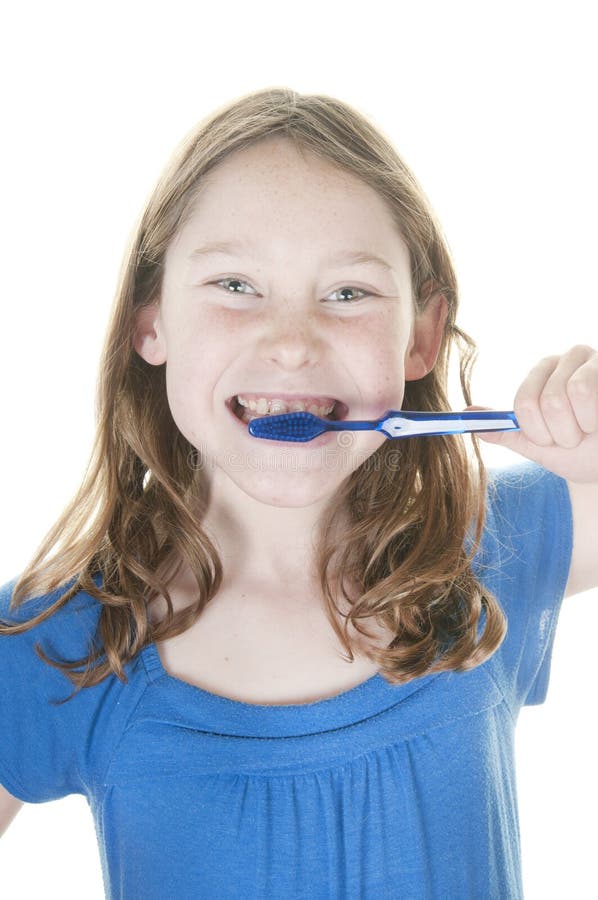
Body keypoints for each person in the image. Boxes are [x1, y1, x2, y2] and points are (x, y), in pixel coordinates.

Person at [0, 87, 596, 899]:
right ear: (151, 323)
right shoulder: (58, 638)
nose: (290, 343)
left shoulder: (491, 547)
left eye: (348, 293)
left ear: (420, 337)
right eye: (235, 286)